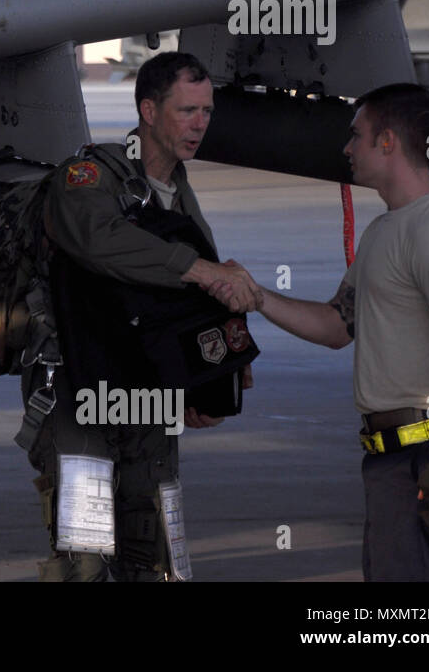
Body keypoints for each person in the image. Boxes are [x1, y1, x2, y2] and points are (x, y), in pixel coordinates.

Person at [210, 82, 429, 581]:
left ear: (387, 142)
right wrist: (259, 296)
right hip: (392, 456)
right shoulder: (387, 229)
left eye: (355, 136)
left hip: (425, 450)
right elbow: (339, 325)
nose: (345, 149)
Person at [22, 51, 258, 581]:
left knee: (157, 553)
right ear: (149, 111)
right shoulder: (88, 176)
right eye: (187, 110)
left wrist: (217, 373)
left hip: (149, 392)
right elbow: (99, 241)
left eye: (207, 111)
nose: (200, 123)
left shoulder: (180, 194)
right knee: (84, 556)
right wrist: (200, 269)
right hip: (78, 389)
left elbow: (189, 307)